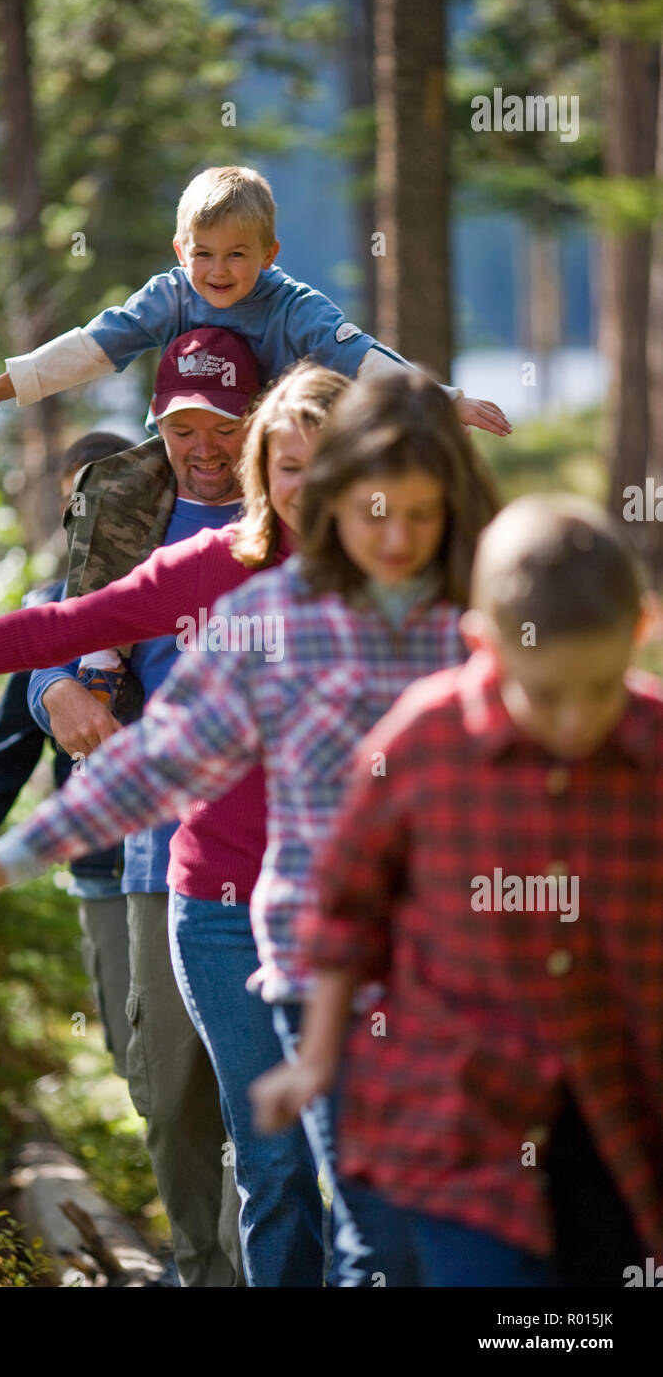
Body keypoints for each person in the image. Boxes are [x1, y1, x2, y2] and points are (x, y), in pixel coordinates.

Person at [0, 370, 500, 1285]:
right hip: (219, 904)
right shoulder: (225, 577)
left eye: (323, 463)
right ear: (262, 471)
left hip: (363, 922)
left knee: (374, 1177)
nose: (303, 486)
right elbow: (70, 634)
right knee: (273, 1162)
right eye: (284, 466)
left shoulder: (418, 596)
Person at [251, 496, 663, 1287]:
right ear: (483, 644)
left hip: (622, 1109)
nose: (575, 721)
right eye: (544, 694)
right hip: (461, 1118)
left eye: (599, 688)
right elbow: (346, 912)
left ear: (641, 630)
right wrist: (317, 1059)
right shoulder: (421, 746)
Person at [0, 165, 511, 441]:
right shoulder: (169, 296)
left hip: (268, 448)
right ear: (180, 250)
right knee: (109, 490)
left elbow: (362, 359)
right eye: (203, 253)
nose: (218, 270)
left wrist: (445, 400)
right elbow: (93, 348)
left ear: (270, 254)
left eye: (237, 255)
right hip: (183, 449)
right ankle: (102, 649)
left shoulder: (294, 307)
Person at [0, 432, 133, 1078]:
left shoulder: (175, 597)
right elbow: (7, 752)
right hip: (99, 867)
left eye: (106, 493)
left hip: (183, 869)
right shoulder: (48, 614)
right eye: (74, 504)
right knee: (131, 1050)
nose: (90, 515)